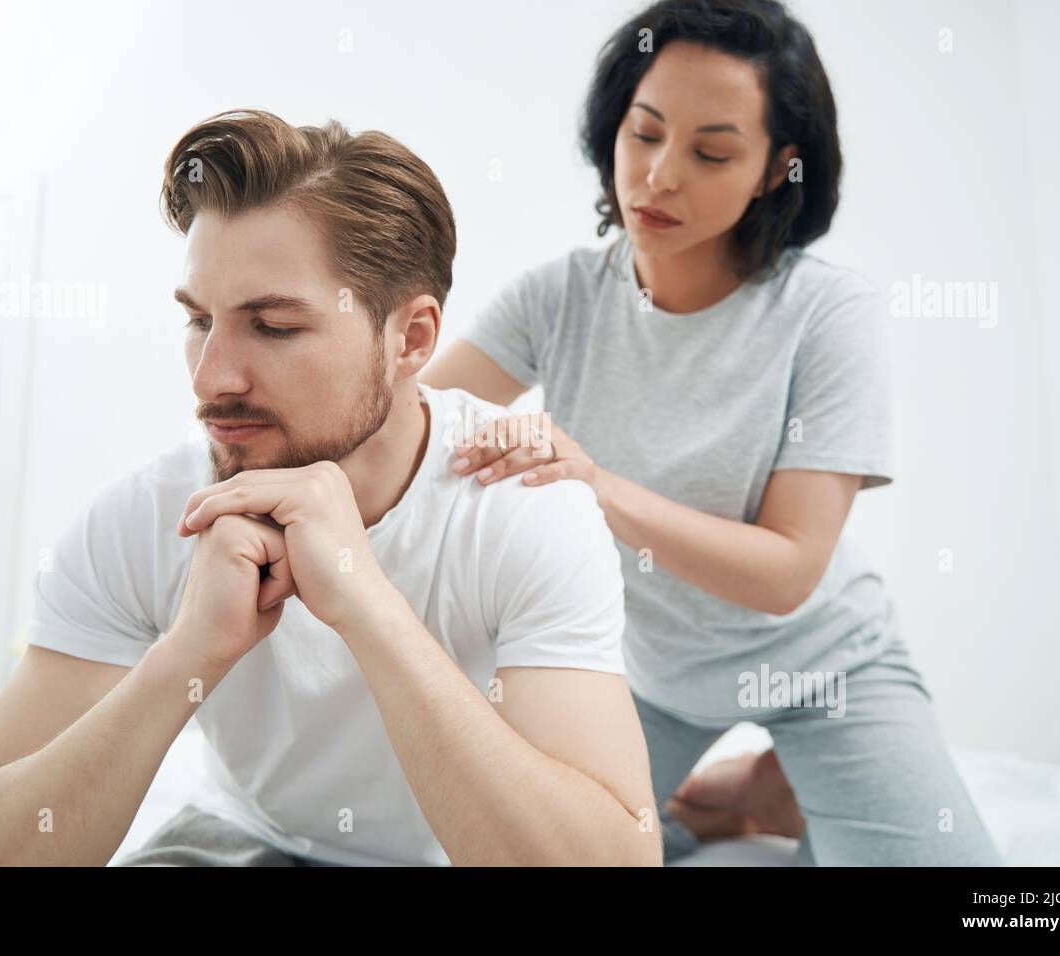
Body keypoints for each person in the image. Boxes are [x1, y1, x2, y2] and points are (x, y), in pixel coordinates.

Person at [0, 109, 662, 868]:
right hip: (237, 842)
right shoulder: (146, 519)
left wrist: (364, 600)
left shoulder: (521, 506)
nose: (211, 380)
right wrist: (187, 655)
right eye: (201, 321)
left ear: (413, 339)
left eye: (271, 327)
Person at [423, 0, 1002, 865]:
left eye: (712, 152)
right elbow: (410, 421)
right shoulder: (560, 296)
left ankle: (775, 781)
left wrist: (594, 483)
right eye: (644, 133)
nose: (658, 177)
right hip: (648, 680)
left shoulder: (826, 313)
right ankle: (730, 806)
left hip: (823, 672)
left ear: (777, 169)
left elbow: (787, 573)